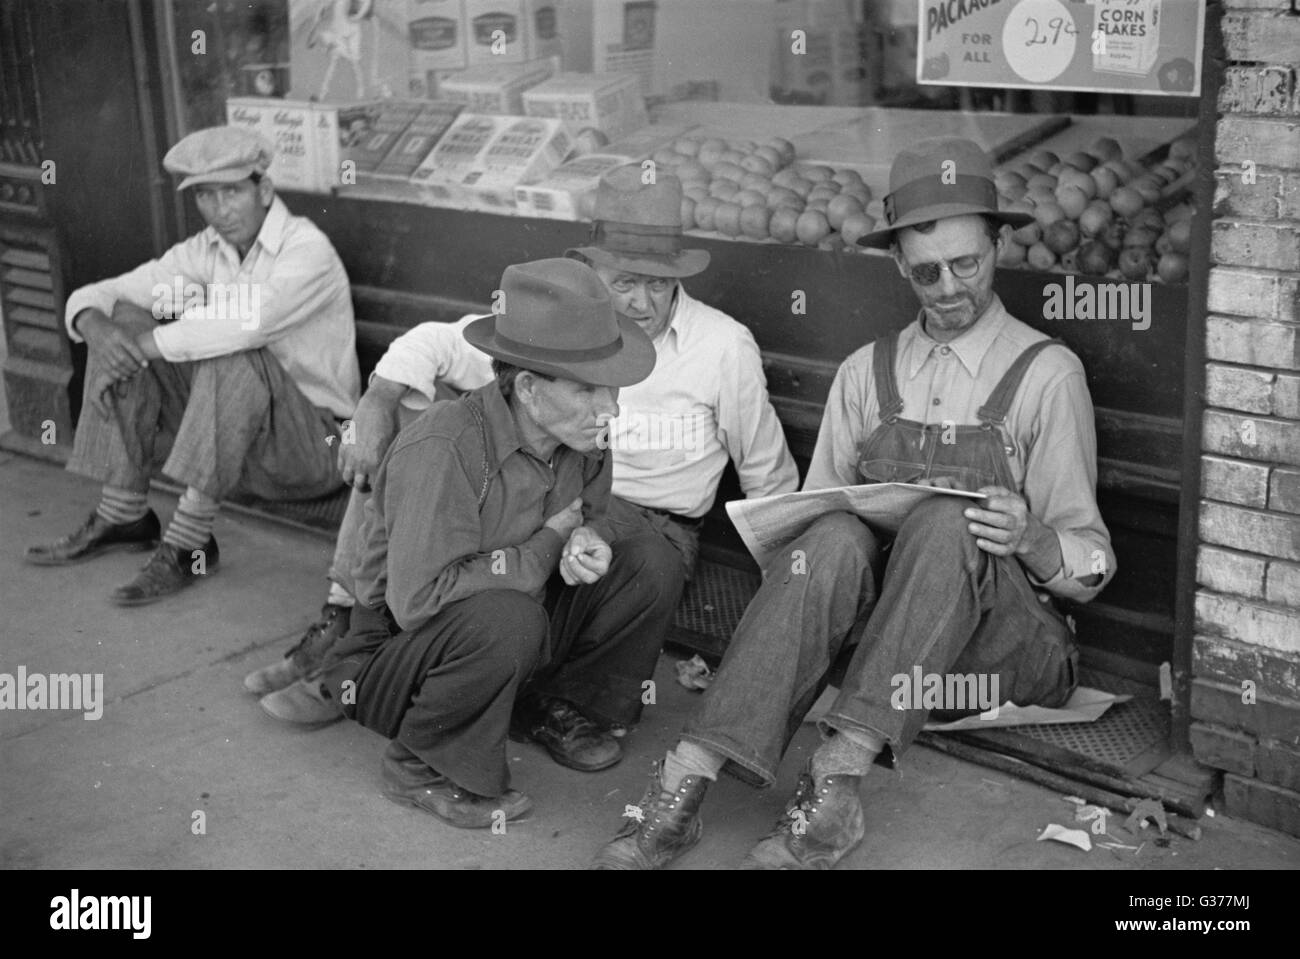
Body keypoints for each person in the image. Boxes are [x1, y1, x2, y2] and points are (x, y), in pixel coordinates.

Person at [590, 137, 1117, 870]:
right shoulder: (864, 372)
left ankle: (834, 784)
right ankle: (683, 783)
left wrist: (1032, 539)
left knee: (945, 519)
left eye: (967, 263)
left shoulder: (1047, 374)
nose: (948, 288)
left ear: (998, 246)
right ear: (900, 264)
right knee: (832, 534)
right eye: (927, 271)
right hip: (882, 658)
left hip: (1000, 659)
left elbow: (1093, 567)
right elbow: (810, 543)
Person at [248, 164, 797, 771]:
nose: (641, 302)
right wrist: (375, 400)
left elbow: (768, 475)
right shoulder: (554, 324)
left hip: (645, 520)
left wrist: (777, 606)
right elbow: (434, 341)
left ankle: (552, 705)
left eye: (658, 285)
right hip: (542, 493)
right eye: (624, 283)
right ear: (590, 272)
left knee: (636, 560)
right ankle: (352, 628)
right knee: (412, 431)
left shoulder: (724, 346)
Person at [265, 258, 680, 828]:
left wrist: (589, 536)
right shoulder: (445, 445)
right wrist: (544, 548)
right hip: (396, 650)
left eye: (612, 390)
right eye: (588, 389)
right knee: (507, 618)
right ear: (529, 390)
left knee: (652, 560)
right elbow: (417, 602)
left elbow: (600, 513)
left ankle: (551, 706)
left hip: (500, 622)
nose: (609, 409)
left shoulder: (582, 437)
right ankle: (419, 767)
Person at [26, 126, 358, 605]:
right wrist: (94, 325)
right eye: (205, 195)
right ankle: (124, 513)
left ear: (263, 189)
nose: (220, 210)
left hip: (316, 445)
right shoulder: (208, 250)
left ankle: (189, 541)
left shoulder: (308, 251)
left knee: (227, 348)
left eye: (232, 192)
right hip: (239, 439)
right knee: (123, 317)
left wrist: (142, 345)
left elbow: (246, 325)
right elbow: (118, 291)